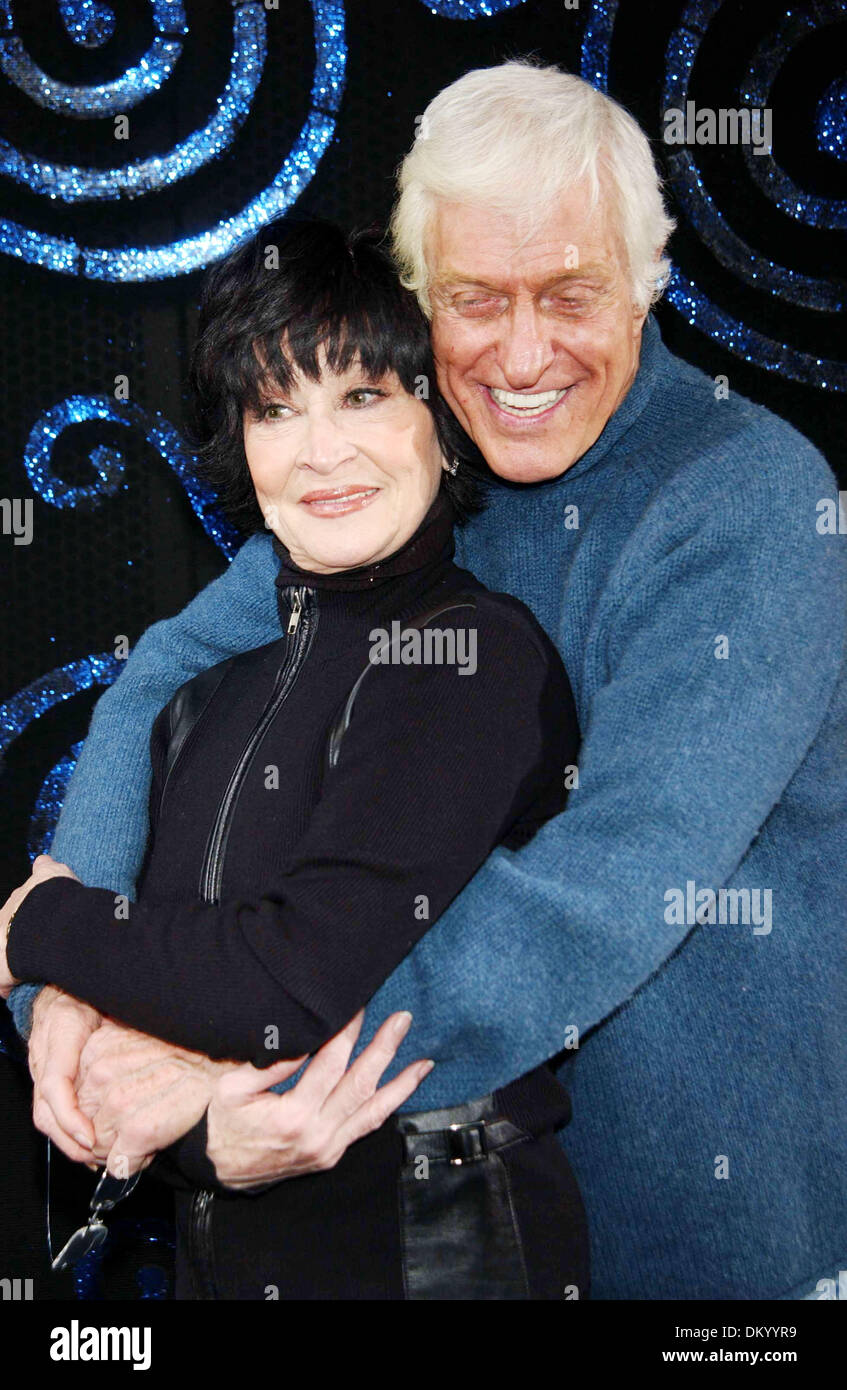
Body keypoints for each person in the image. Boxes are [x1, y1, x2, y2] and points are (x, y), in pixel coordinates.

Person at [6, 60, 846, 1300]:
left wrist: (252, 1073)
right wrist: (67, 972)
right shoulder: (418, 458)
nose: (519, 353)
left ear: (647, 286)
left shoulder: (750, 498)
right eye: (472, 299)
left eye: (568, 294)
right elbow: (162, 675)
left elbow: (602, 884)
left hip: (710, 1249)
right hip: (435, 1217)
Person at [1, 220, 588, 1300]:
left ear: (442, 425)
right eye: (277, 408)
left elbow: (281, 976)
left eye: (362, 395)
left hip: (439, 1254)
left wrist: (33, 925)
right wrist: (196, 1137)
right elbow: (158, 1020)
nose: (321, 451)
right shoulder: (206, 695)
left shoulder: (470, 656)